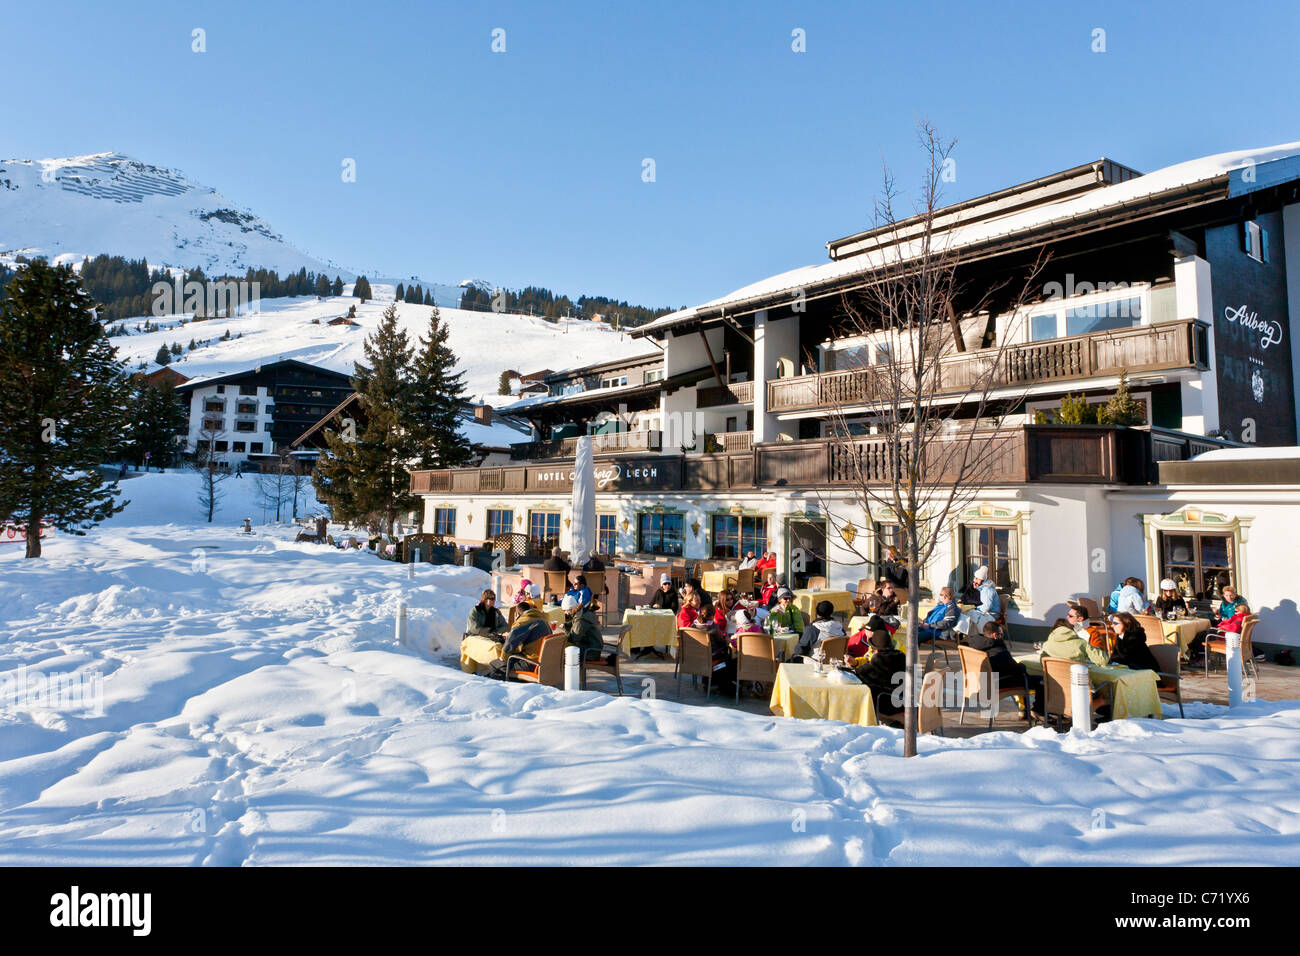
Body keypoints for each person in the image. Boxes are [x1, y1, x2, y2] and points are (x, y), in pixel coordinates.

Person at [854, 629, 907, 717]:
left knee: (862, 690)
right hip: (903, 699)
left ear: (875, 648)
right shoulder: (901, 655)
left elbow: (859, 674)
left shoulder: (879, 659)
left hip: (888, 703)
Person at [1041, 618, 1110, 667]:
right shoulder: (1081, 643)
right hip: (1080, 686)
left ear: (1053, 631)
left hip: (1054, 686)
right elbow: (1103, 661)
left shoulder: (1046, 645)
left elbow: (1042, 665)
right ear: (1070, 629)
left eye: (1070, 616)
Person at [561, 593, 604, 661]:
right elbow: (575, 623)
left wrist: (565, 630)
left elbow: (574, 638)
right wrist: (566, 625)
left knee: (563, 651)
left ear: (570, 609)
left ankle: (566, 671)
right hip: (594, 648)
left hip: (591, 652)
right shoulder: (582, 612)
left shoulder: (580, 618)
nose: (565, 613)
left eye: (565, 610)